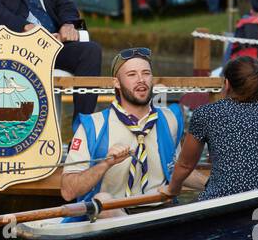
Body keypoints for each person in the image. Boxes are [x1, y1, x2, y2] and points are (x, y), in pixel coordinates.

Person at [61, 49, 188, 219]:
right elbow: (68, 191)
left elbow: (180, 168)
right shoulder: (93, 126)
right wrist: (105, 164)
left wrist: (212, 184)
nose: (141, 80)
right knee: (102, 199)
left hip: (161, 212)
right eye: (132, 75)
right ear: (117, 83)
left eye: (146, 73)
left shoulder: (170, 119)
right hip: (113, 215)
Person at [161, 55, 258, 201]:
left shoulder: (206, 114)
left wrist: (172, 189)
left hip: (222, 202)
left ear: (227, 84)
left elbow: (185, 165)